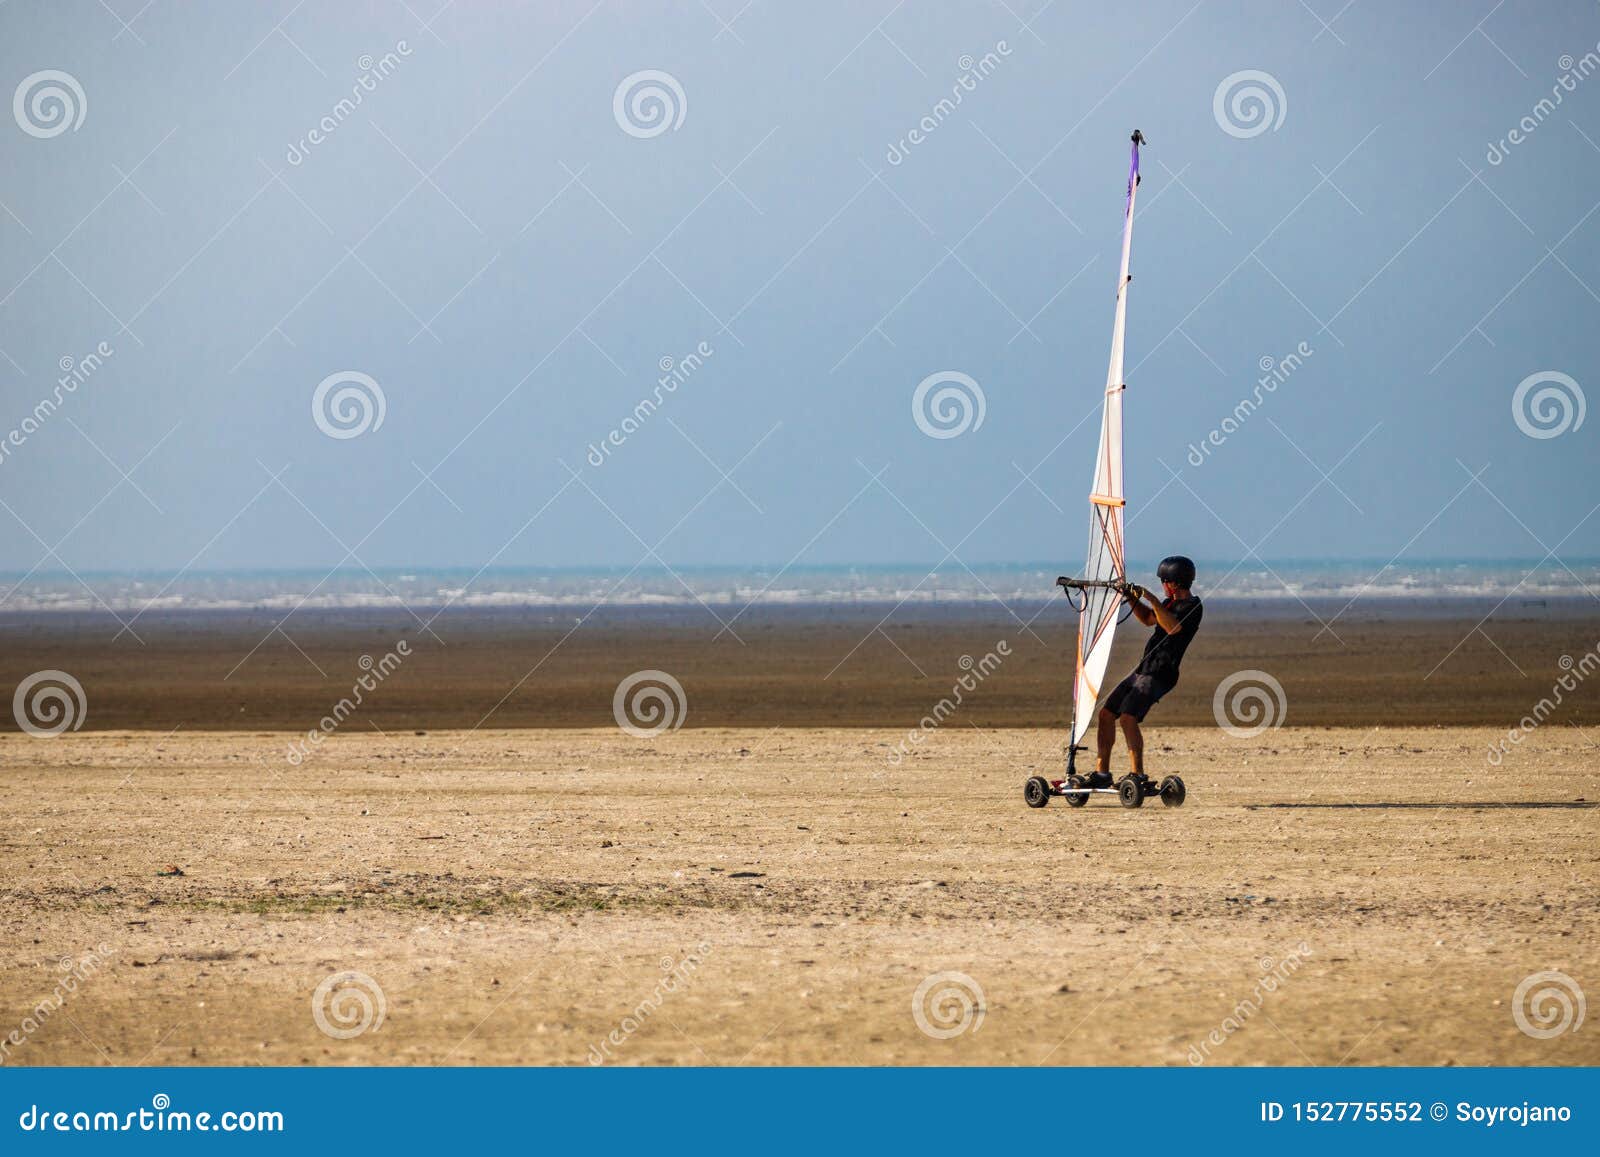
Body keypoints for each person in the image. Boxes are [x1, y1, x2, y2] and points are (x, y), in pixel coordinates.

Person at [1090, 555, 1203, 786]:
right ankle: (1102, 774)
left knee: (1128, 717)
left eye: (1163, 581)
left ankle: (1137, 775)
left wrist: (1150, 597)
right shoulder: (1168, 604)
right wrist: (1130, 596)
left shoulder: (1193, 606)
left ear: (1172, 583)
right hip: (1144, 669)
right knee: (1106, 714)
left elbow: (1172, 628)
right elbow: (1149, 619)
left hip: (1161, 673)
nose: (1162, 585)